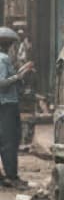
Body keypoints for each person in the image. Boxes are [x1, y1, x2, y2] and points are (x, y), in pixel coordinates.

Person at [0, 32, 33, 189]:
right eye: (13, 46)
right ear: (7, 46)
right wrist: (19, 76)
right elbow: (2, 83)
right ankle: (11, 176)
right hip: (6, 105)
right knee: (10, 141)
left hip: (5, 104)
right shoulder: (2, 59)